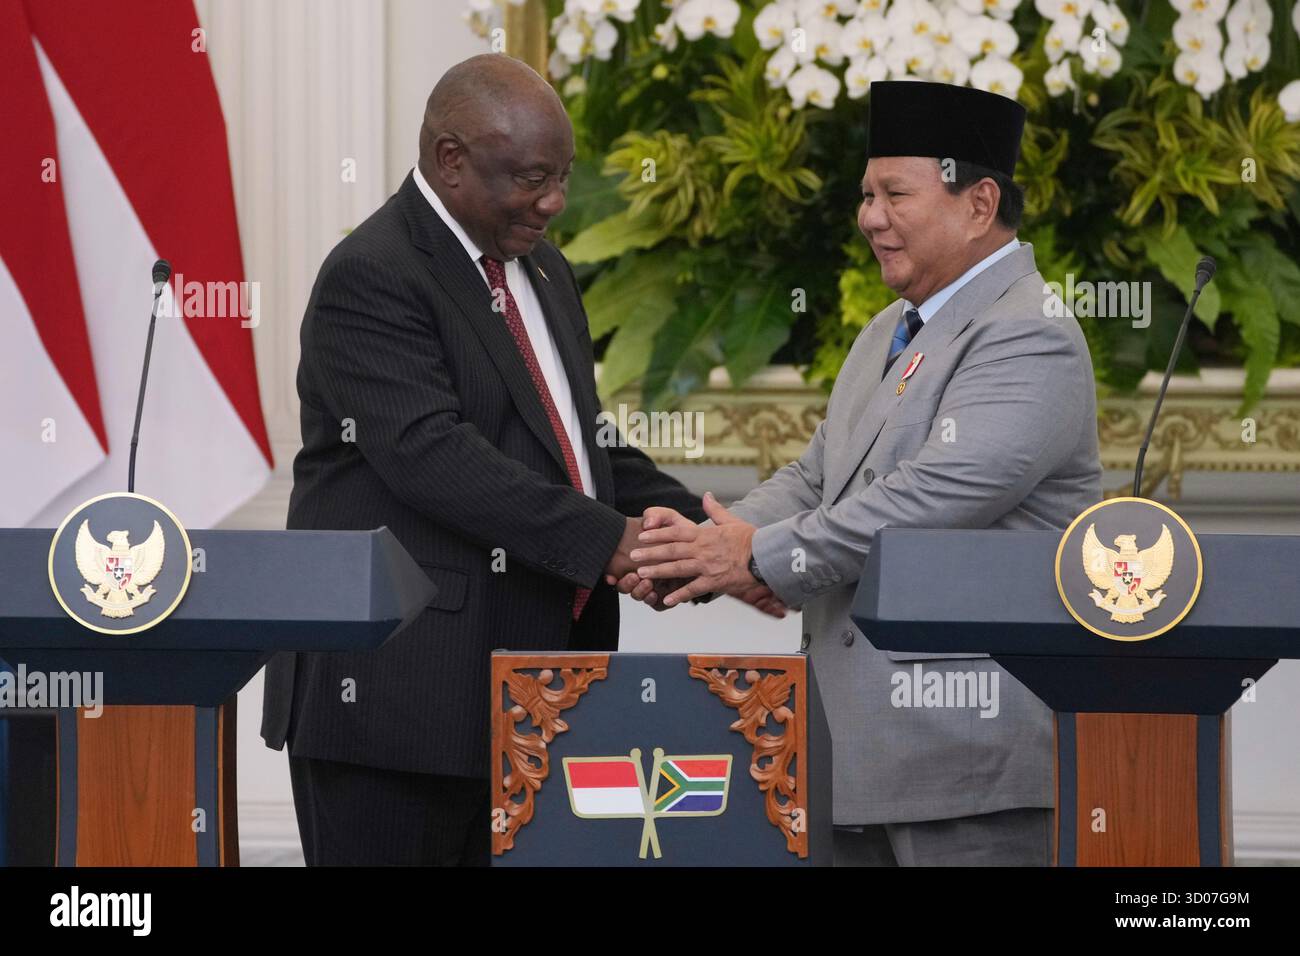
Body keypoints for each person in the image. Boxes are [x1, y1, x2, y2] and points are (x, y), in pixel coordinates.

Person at [261, 54, 778, 866]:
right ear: (451, 161)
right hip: (401, 706)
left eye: (563, 176)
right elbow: (433, 456)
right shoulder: (372, 274)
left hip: (543, 699)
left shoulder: (540, 267)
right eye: (533, 178)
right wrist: (615, 543)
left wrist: (715, 537)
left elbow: (580, 445)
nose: (555, 202)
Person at [626, 81, 1102, 866]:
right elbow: (820, 478)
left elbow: (927, 501)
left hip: (966, 766)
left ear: (979, 204)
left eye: (893, 193)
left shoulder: (1031, 335)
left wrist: (751, 557)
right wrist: (706, 543)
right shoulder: (892, 327)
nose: (869, 216)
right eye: (865, 194)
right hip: (849, 755)